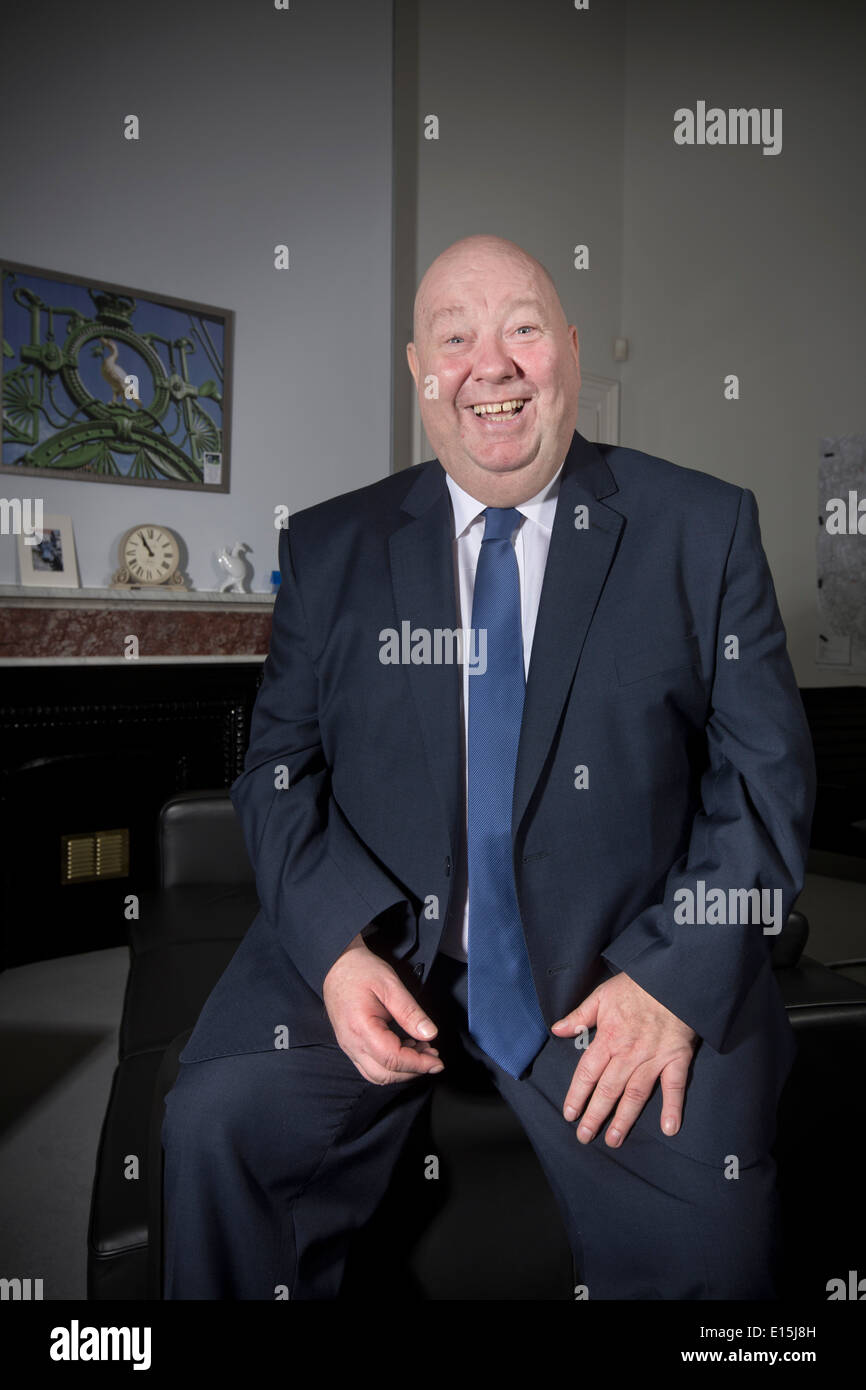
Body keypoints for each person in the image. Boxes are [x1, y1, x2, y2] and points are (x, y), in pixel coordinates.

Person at [161, 233, 816, 1300]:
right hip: (373, 958)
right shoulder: (333, 546)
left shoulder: (702, 527)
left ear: (565, 348)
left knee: (716, 1239)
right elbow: (275, 768)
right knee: (210, 1127)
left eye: (520, 327)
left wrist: (668, 983)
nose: (491, 365)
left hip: (616, 973)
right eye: (453, 337)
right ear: (418, 369)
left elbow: (762, 785)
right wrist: (331, 951)